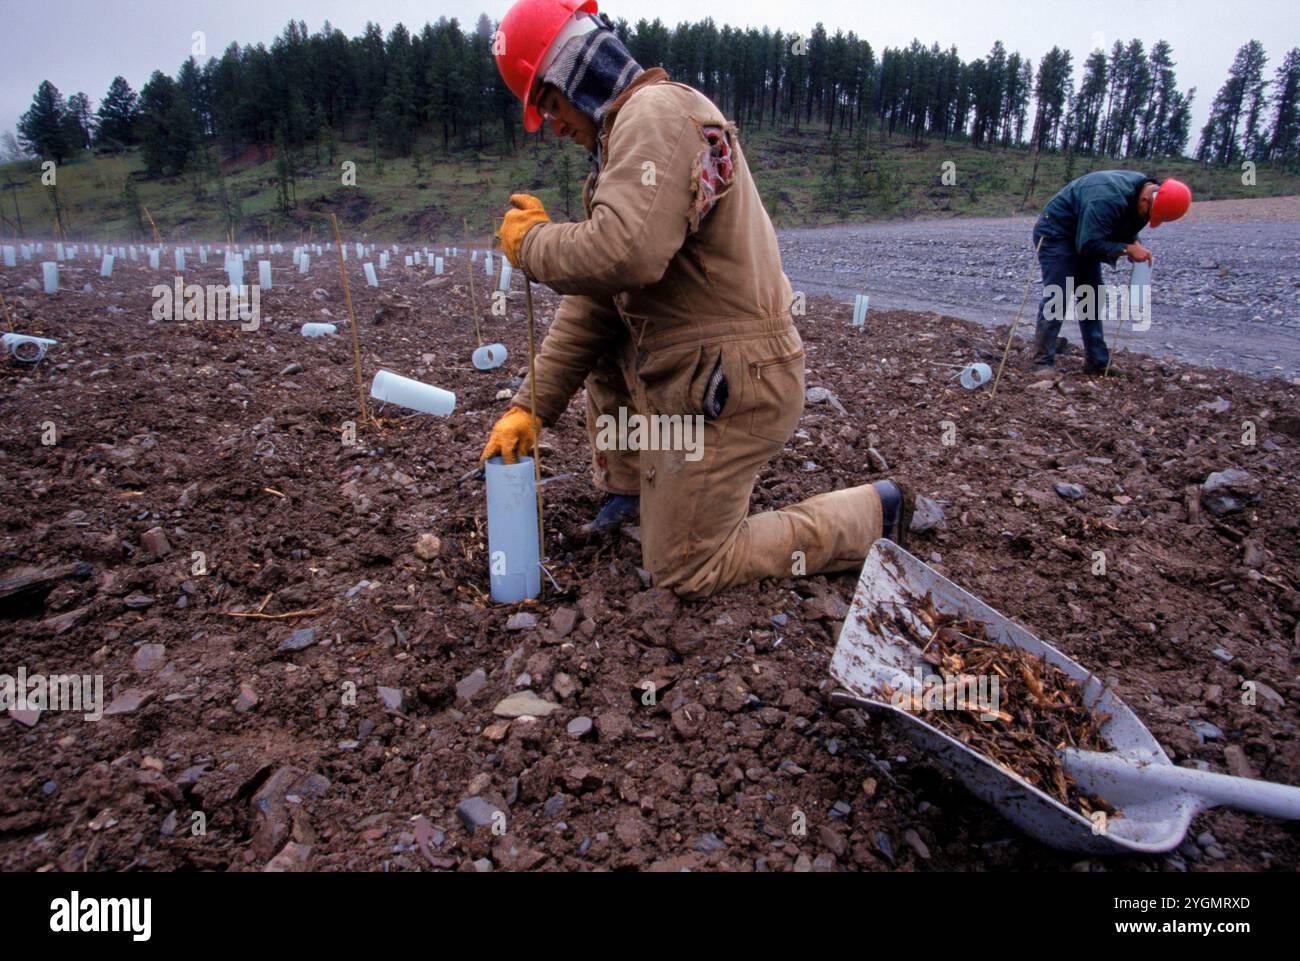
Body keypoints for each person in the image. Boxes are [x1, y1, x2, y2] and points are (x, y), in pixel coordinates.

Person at [479, 0, 912, 600]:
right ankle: (634, 492)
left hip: (734, 383)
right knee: (608, 345)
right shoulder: (626, 143)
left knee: (684, 567)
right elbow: (601, 296)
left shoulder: (655, 113)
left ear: (572, 73)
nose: (552, 124)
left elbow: (624, 254)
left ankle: (869, 516)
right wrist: (531, 406)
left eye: (548, 103)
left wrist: (531, 246)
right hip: (707, 367)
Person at [1030, 171, 1191, 374]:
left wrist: (1134, 242)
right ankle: (1040, 362)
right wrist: (1125, 249)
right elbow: (1088, 244)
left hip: (1085, 233)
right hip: (1056, 232)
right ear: (1145, 198)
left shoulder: (1141, 192)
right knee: (1058, 295)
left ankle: (1097, 362)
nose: (1147, 219)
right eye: (1148, 214)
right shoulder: (1107, 198)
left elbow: (1125, 223)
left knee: (1093, 296)